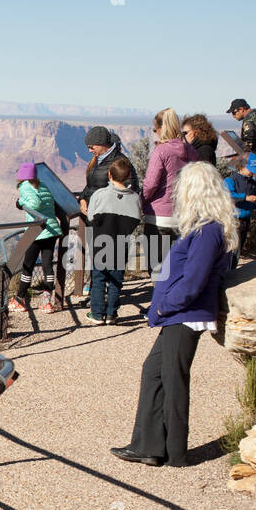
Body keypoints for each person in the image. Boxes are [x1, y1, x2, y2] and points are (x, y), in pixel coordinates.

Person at [111, 162, 236, 468]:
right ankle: (149, 446)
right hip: (177, 314)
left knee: (174, 379)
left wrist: (165, 306)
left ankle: (176, 452)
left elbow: (194, 280)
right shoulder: (204, 228)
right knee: (154, 373)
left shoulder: (208, 231)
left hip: (183, 315)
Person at [74, 125, 134, 303]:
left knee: (111, 262)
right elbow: (90, 186)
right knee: (97, 258)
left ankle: (104, 305)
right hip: (95, 217)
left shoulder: (120, 161)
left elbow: (130, 188)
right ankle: (98, 298)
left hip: (111, 220)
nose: (89, 149)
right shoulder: (97, 160)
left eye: (91, 146)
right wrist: (83, 199)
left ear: (102, 144)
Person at [141, 108, 198, 278]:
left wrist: (140, 201)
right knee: (178, 266)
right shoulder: (191, 152)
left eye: (154, 129)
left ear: (161, 128)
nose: (155, 133)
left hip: (159, 217)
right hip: (183, 216)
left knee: (157, 268)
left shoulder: (161, 151)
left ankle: (161, 302)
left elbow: (150, 184)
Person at [86, 158, 141, 324]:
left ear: (109, 174)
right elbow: (137, 219)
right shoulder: (134, 198)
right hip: (121, 244)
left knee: (99, 278)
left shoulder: (100, 195)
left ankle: (96, 314)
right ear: (128, 176)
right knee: (116, 280)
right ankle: (112, 314)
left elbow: (90, 217)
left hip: (100, 242)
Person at [9, 161, 62, 312]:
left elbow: (35, 203)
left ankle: (20, 299)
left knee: (28, 266)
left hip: (37, 231)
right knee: (47, 265)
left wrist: (20, 202)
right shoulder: (42, 184)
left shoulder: (25, 185)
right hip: (52, 230)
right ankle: (47, 302)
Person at [227, 99, 256, 217]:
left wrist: (240, 157)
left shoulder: (249, 120)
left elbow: (249, 143)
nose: (233, 116)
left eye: (234, 112)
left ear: (242, 109)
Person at [224, 154, 256, 259]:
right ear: (241, 166)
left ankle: (234, 266)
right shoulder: (230, 181)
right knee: (233, 247)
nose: (252, 172)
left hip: (246, 219)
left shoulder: (253, 183)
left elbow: (255, 200)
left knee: (240, 245)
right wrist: (245, 197)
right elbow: (228, 196)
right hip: (233, 219)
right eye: (250, 169)